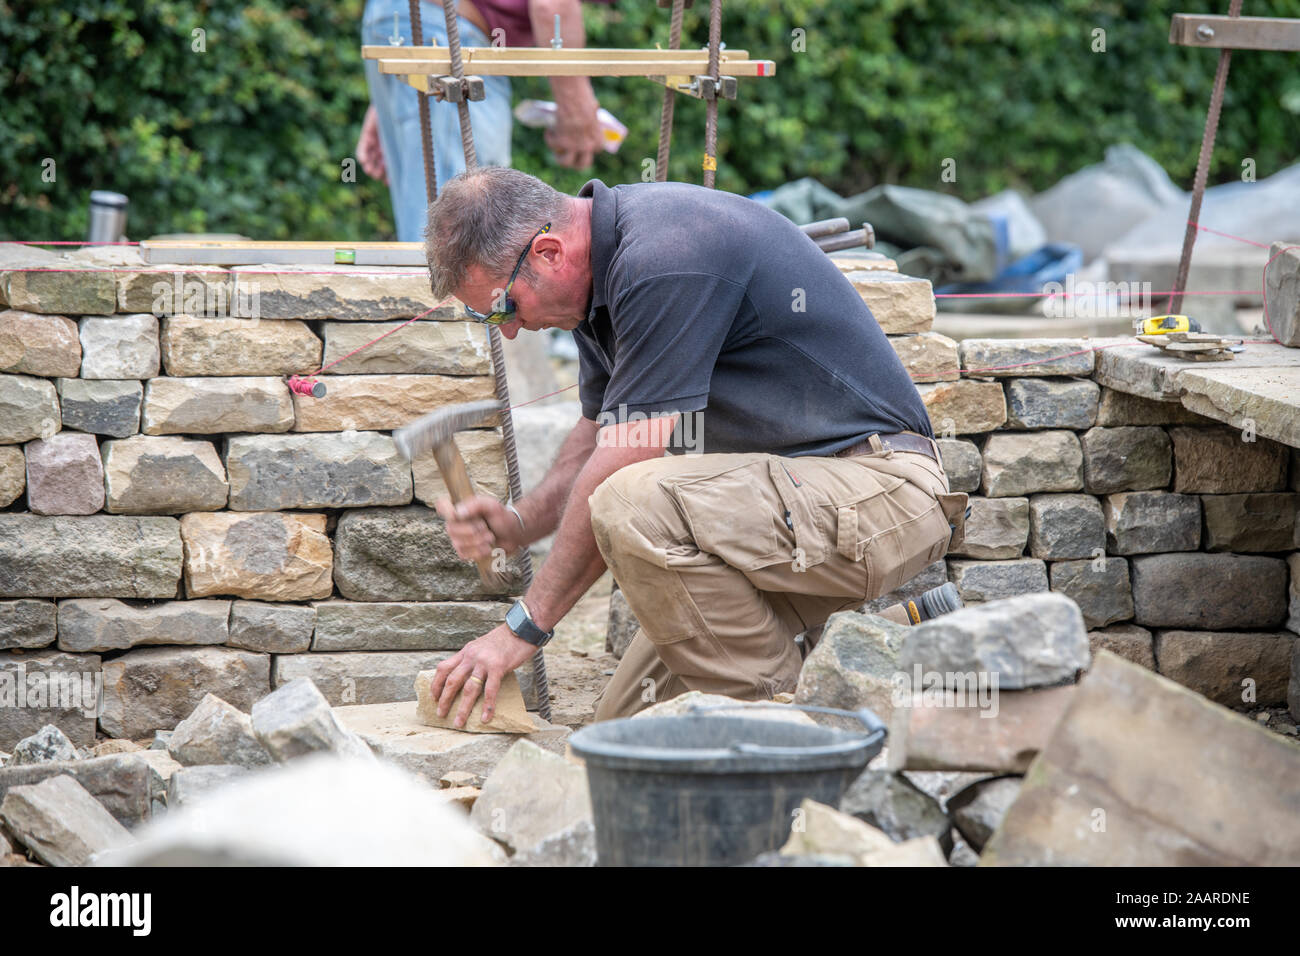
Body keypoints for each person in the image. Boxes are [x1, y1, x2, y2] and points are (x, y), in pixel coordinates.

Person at [420, 167, 969, 728]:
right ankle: (879, 656)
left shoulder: (667, 253)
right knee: (625, 734)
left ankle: (799, 728)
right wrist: (520, 522)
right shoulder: (594, 291)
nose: (508, 330)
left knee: (629, 500)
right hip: (783, 518)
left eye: (501, 308)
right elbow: (595, 438)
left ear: (549, 252)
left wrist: (524, 628)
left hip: (882, 490)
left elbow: (625, 457)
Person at [358, 0, 613, 242]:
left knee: (436, 234)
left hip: (404, 22)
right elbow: (551, 5)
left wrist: (391, 100)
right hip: (450, 35)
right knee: (461, 239)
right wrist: (576, 107)